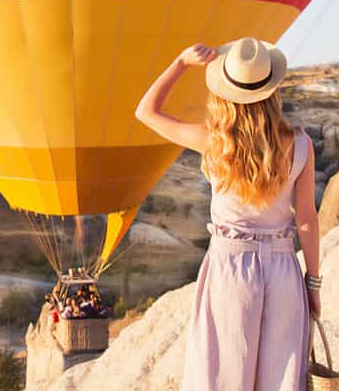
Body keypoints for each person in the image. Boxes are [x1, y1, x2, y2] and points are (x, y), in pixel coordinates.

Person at [135, 39, 320, 391]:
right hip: (283, 270)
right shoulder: (301, 144)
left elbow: (146, 111)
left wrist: (180, 62)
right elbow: (307, 219)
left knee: (223, 377)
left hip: (230, 268)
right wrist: (313, 284)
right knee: (280, 378)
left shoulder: (213, 142)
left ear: (225, 93)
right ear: (272, 91)